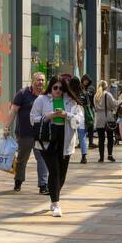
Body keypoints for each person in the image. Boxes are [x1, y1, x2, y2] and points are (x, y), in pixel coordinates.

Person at [30, 75, 85, 217]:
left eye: (61, 88)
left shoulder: (71, 102)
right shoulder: (41, 100)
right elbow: (33, 119)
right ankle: (56, 203)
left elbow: (79, 120)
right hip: (47, 139)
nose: (58, 91)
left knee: (62, 174)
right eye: (55, 87)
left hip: (65, 138)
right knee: (54, 171)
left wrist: (66, 114)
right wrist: (49, 116)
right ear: (51, 87)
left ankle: (54, 196)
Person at [6, 73, 49, 193]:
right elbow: (13, 111)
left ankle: (43, 185)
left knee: (42, 159)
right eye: (38, 80)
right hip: (24, 133)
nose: (40, 82)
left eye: (42, 80)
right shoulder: (23, 93)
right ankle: (18, 181)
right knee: (21, 159)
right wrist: (6, 127)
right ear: (32, 81)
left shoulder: (46, 96)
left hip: (40, 134)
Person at [93, 79, 119, 162]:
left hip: (99, 118)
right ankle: (110, 155)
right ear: (106, 86)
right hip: (108, 118)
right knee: (110, 138)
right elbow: (114, 104)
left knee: (101, 139)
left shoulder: (96, 95)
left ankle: (101, 157)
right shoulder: (107, 94)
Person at [66, 75, 90, 164]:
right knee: (82, 136)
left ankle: (67, 154)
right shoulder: (83, 92)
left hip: (71, 114)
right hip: (81, 114)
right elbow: (88, 105)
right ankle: (84, 156)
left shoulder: (68, 93)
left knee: (69, 134)